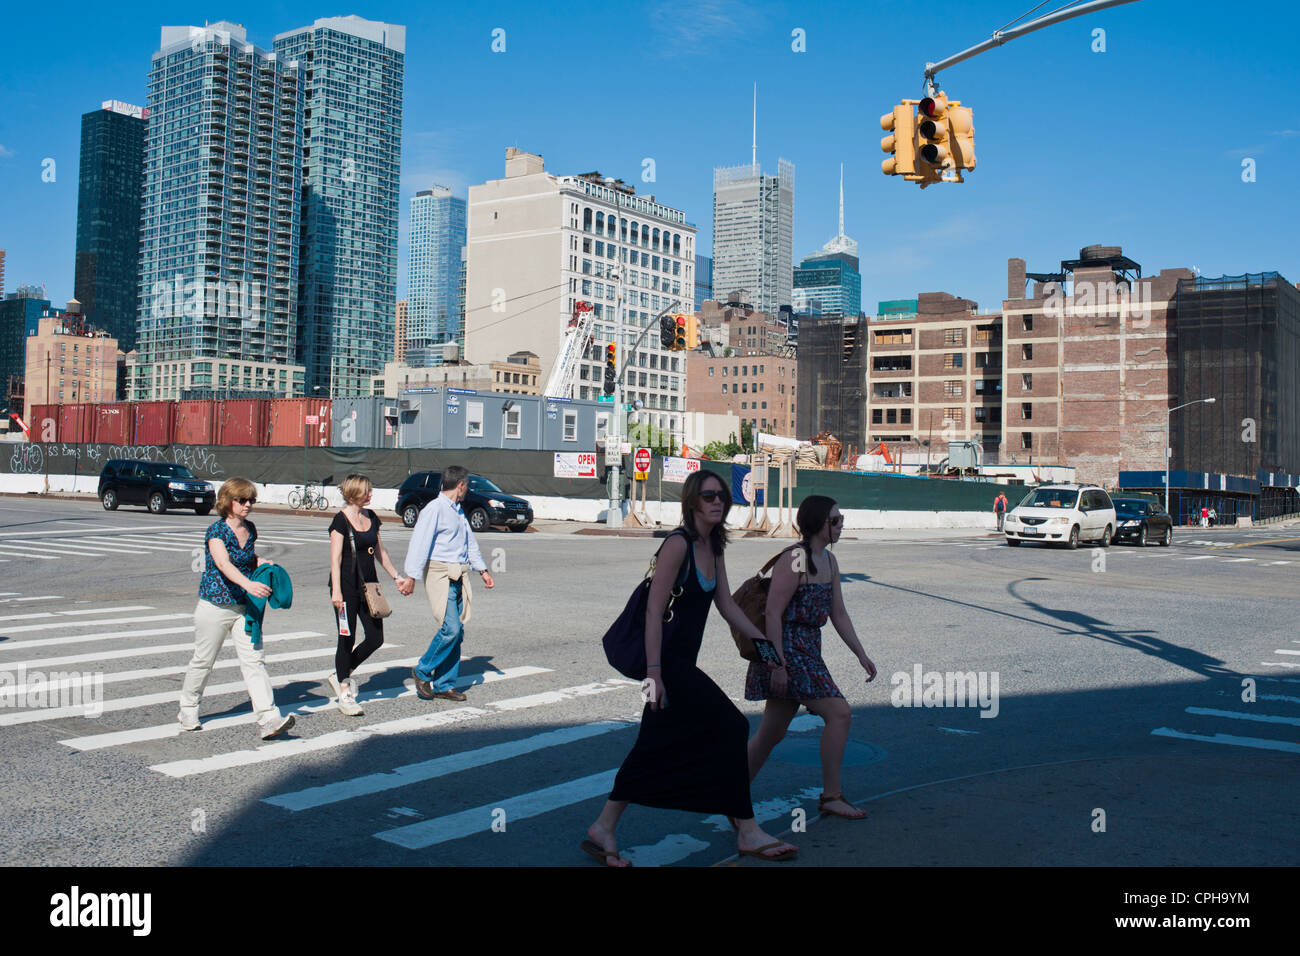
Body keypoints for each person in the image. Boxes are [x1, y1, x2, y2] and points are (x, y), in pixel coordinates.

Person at [583, 470, 799, 867]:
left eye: (722, 496)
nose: (717, 502)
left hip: (681, 663)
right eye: (709, 496)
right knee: (733, 727)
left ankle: (603, 827)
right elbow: (652, 610)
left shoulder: (713, 547)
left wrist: (764, 643)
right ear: (692, 502)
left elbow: (727, 605)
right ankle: (746, 827)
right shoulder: (677, 545)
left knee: (653, 745)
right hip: (666, 664)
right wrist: (654, 674)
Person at [745, 495, 877, 820]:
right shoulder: (796, 559)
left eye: (841, 518)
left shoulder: (829, 563)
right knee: (840, 713)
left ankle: (728, 790)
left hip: (807, 649)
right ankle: (832, 796)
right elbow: (773, 614)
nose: (841, 525)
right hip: (787, 649)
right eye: (835, 520)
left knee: (770, 734)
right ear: (819, 525)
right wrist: (777, 665)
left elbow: (839, 614)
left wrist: (861, 654)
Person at [178, 478, 295, 739]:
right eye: (242, 500)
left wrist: (261, 562)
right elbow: (223, 563)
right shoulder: (216, 531)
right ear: (228, 502)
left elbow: (247, 557)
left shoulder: (250, 529)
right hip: (215, 605)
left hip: (244, 606)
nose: (248, 504)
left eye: (251, 500)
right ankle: (188, 708)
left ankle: (268, 718)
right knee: (203, 661)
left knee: (254, 660)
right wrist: (248, 583)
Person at [403, 465, 495, 702]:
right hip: (440, 574)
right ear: (461, 485)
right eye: (467, 486)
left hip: (459, 575)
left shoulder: (457, 511)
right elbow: (420, 543)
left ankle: (444, 684)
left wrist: (482, 569)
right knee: (450, 629)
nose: (467, 490)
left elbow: (469, 543)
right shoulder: (434, 509)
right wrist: (411, 577)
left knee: (457, 632)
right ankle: (422, 671)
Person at [328, 474, 413, 716]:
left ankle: (340, 672)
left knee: (376, 638)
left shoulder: (371, 517)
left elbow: (380, 553)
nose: (371, 494)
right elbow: (335, 559)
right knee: (347, 637)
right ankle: (345, 692)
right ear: (355, 493)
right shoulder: (340, 521)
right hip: (344, 588)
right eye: (367, 491)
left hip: (369, 588)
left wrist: (397, 576)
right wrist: (336, 590)